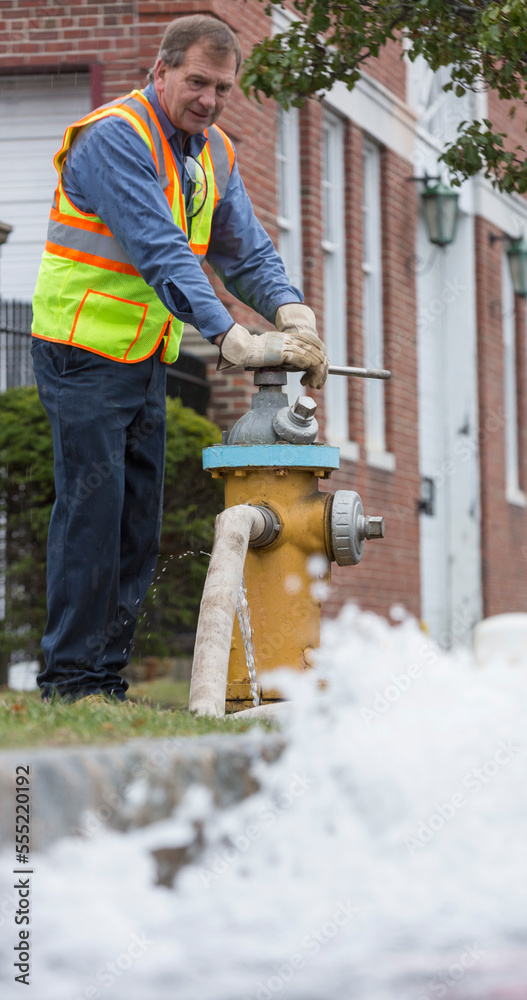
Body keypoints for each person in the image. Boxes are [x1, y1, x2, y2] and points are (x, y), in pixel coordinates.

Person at [30, 13, 328, 704]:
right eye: (197, 81)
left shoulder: (213, 153)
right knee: (93, 518)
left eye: (222, 87)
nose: (209, 98)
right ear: (160, 71)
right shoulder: (114, 139)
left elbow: (245, 251)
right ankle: (70, 683)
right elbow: (161, 249)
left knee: (137, 525)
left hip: (141, 358)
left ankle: (104, 681)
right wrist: (232, 336)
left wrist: (291, 311)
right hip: (80, 352)